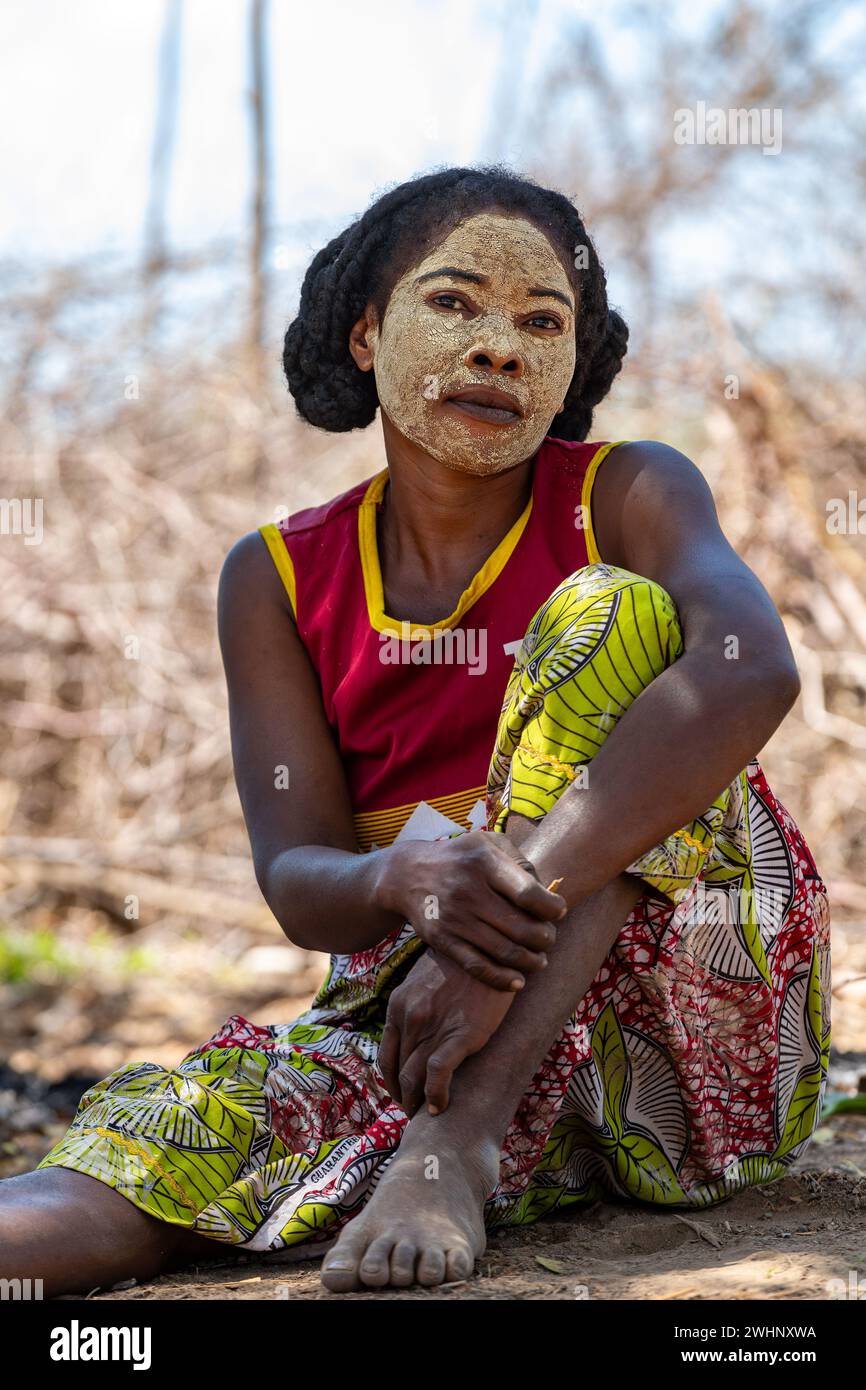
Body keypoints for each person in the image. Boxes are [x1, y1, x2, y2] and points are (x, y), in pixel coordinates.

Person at [1, 166, 830, 1296]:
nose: (498, 347)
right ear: (363, 335)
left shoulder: (626, 494)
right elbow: (297, 876)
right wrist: (407, 881)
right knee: (166, 1145)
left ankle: (455, 1146)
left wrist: (497, 917)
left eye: (542, 322)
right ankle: (458, 1135)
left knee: (614, 618)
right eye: (453, 304)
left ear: (568, 369)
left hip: (690, 1043)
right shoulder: (279, 573)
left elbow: (749, 671)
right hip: (418, 1021)